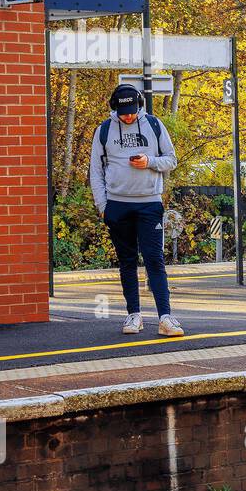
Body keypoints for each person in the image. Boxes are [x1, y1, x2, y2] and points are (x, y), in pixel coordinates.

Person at [88, 84, 184, 336]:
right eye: (123, 112)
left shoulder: (153, 125)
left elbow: (171, 160)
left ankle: (166, 318)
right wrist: (103, 207)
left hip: (149, 202)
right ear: (114, 108)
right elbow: (95, 172)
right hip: (117, 205)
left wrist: (150, 162)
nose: (128, 116)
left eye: (132, 111)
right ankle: (134, 316)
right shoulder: (104, 130)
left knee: (154, 260)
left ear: (139, 106)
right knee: (127, 262)